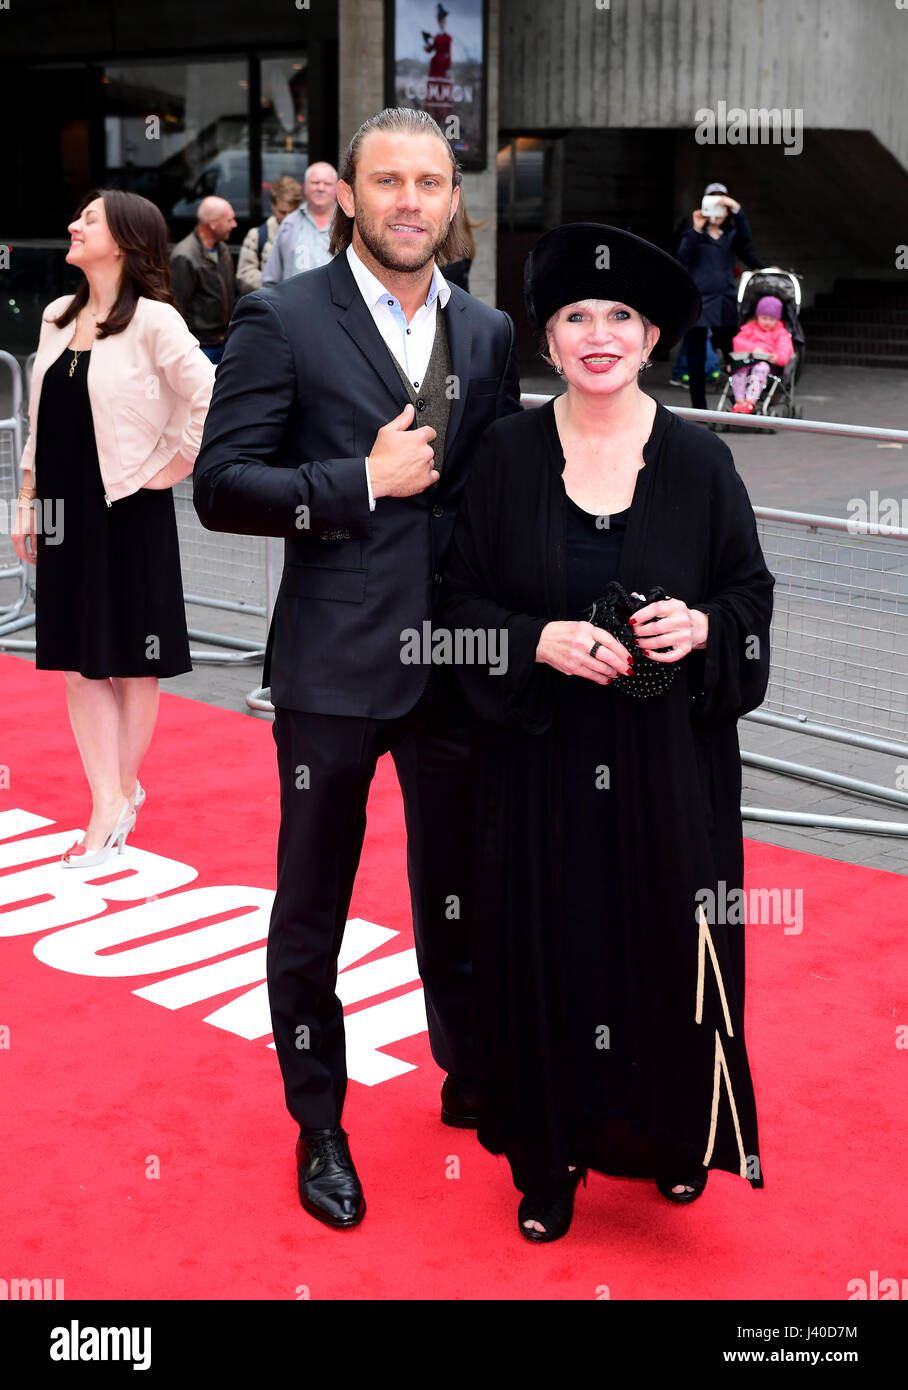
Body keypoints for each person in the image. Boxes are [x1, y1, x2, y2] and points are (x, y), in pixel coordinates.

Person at [193, 107, 520, 1230]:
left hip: (455, 673)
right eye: (389, 181)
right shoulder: (280, 316)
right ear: (350, 194)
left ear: (451, 195)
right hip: (332, 669)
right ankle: (318, 1119)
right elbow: (222, 484)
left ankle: (468, 1069)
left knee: (460, 893)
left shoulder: (485, 332)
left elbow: (493, 507)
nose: (411, 202)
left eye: (430, 181)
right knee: (312, 907)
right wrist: (355, 481)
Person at [439, 222, 774, 1242]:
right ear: (548, 341)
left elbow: (748, 594)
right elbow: (452, 608)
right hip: (535, 775)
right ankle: (547, 1158)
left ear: (649, 334)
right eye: (576, 316)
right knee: (544, 951)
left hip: (667, 775)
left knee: (665, 952)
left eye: (618, 316)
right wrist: (534, 639)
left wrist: (707, 626)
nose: (597, 334)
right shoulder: (501, 457)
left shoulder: (700, 460)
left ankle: (673, 1140)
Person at [12, 189, 215, 868]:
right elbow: (40, 417)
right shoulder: (55, 316)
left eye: (89, 220)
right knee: (75, 662)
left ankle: (117, 798)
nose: (72, 225)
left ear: (125, 241)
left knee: (132, 663)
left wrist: (168, 466)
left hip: (128, 508)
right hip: (65, 508)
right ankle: (107, 795)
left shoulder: (155, 321)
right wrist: (27, 496)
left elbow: (209, 397)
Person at [676, 182, 763, 410]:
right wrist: (696, 228)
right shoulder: (694, 233)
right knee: (696, 360)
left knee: (735, 353)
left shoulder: (731, 235)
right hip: (699, 303)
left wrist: (736, 208)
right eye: (712, 204)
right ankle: (700, 409)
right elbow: (682, 255)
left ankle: (740, 403)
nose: (717, 211)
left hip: (725, 301)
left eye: (721, 206)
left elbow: (746, 238)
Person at [170, 195, 237, 363]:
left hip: (225, 341)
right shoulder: (184, 256)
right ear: (213, 224)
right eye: (229, 220)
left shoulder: (222, 249)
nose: (234, 225)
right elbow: (178, 307)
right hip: (201, 347)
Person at [260, 162, 338, 284]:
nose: (321, 188)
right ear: (305, 186)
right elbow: (270, 280)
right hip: (293, 302)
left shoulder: (350, 224)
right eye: (315, 182)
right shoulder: (289, 224)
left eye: (327, 184)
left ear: (337, 188)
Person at [235, 176, 303, 295]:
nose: (287, 218)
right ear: (273, 205)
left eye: (292, 212)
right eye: (282, 212)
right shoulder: (257, 236)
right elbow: (244, 276)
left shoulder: (307, 234)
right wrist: (275, 284)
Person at [728, 294, 794, 414]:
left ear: (777, 319)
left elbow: (785, 349)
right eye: (764, 318)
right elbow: (737, 342)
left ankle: (750, 401)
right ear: (757, 316)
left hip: (768, 364)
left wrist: (778, 357)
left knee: (760, 368)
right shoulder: (750, 328)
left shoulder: (781, 333)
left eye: (771, 319)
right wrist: (753, 348)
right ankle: (739, 400)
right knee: (737, 369)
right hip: (747, 361)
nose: (767, 322)